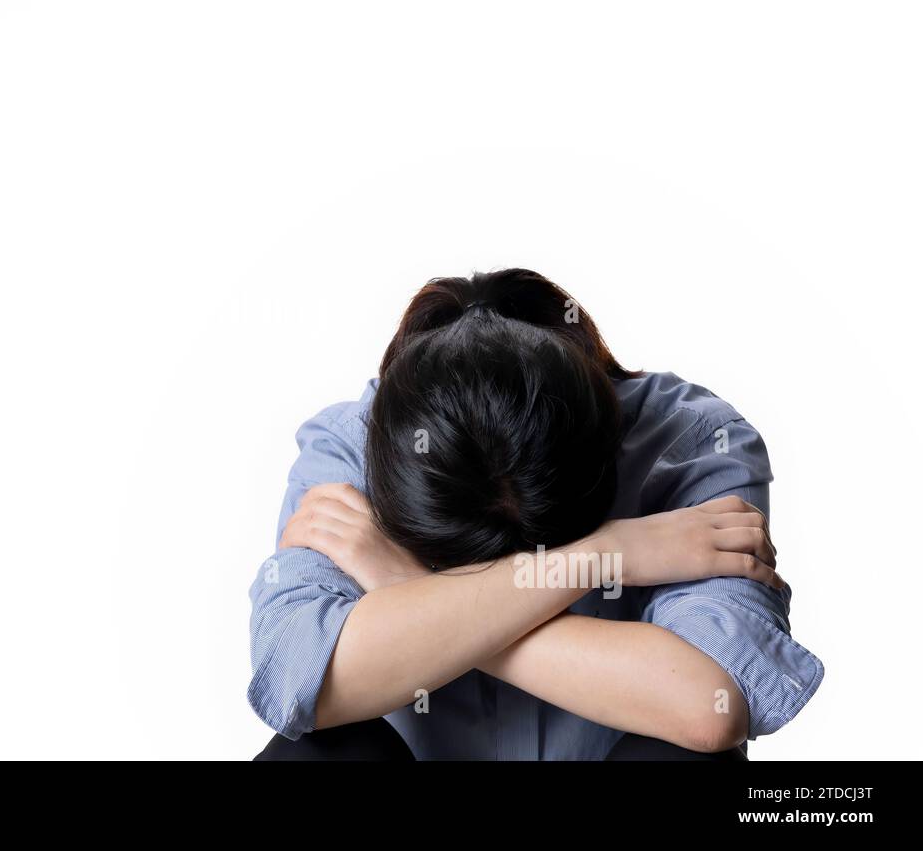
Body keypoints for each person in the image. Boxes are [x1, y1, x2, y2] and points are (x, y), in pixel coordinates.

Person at [248, 268, 823, 760]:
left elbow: (709, 709)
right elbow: (300, 682)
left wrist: (411, 588)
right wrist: (604, 554)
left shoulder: (689, 439)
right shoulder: (354, 445)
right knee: (320, 748)